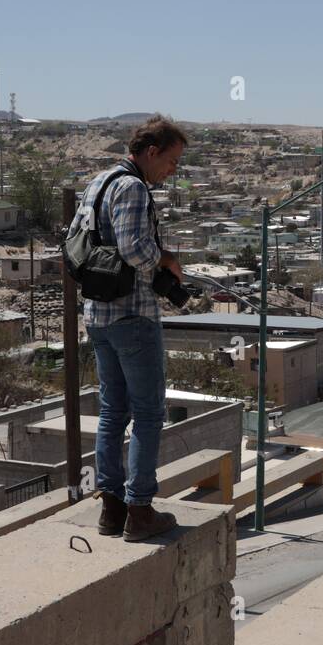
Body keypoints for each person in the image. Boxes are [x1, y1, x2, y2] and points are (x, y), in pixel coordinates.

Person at [67, 116, 187, 541]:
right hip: (132, 316)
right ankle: (140, 510)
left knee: (111, 412)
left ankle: (111, 509)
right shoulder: (133, 187)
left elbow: (76, 243)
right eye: (171, 161)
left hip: (97, 316)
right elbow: (135, 248)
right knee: (149, 412)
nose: (172, 171)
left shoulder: (97, 182)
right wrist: (167, 260)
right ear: (151, 152)